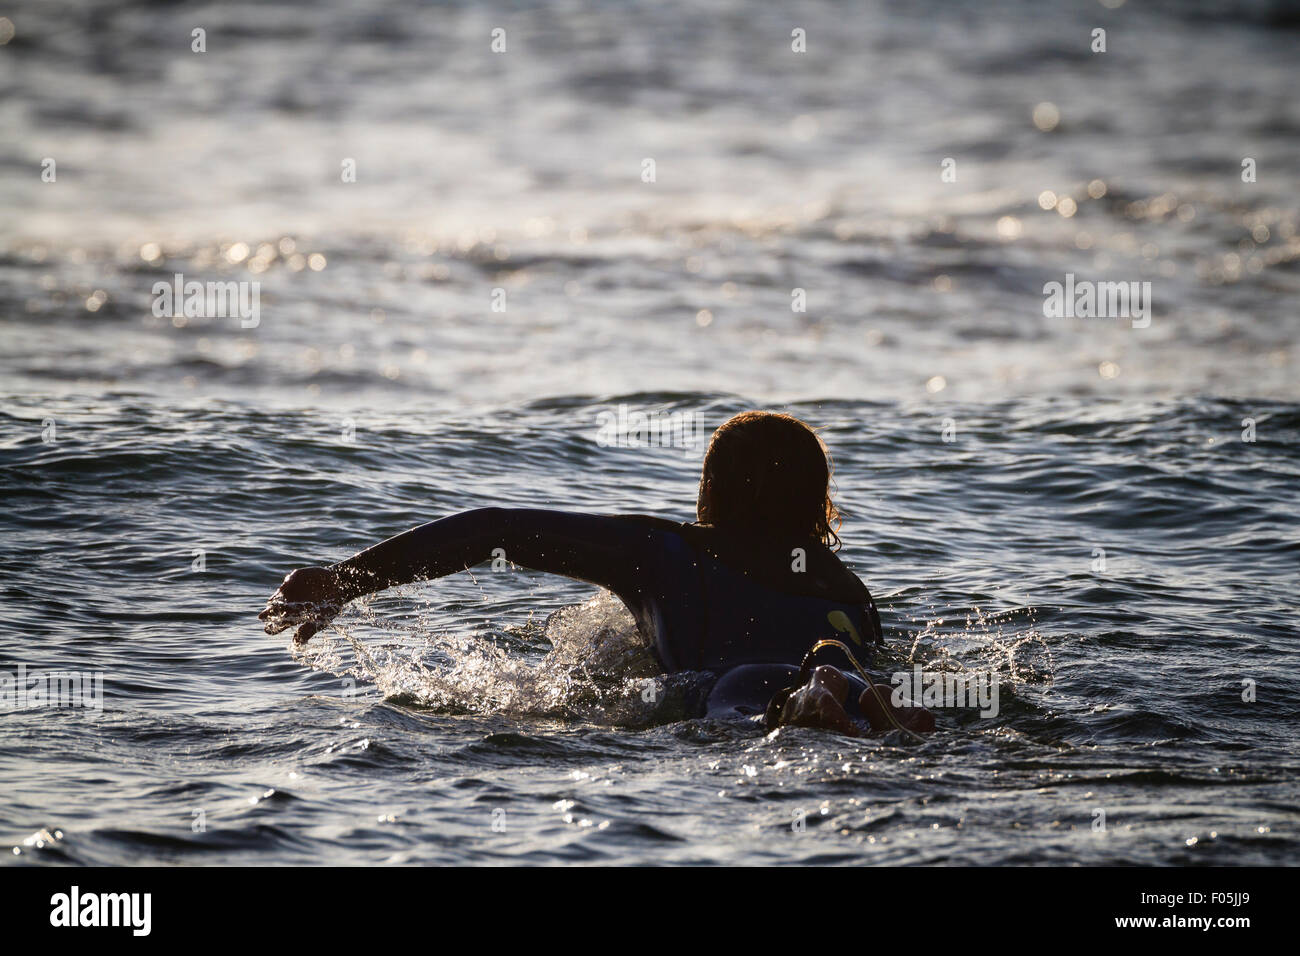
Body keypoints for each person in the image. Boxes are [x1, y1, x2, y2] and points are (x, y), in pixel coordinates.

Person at [260, 410, 934, 736]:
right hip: (850, 668)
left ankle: (807, 702)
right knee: (844, 683)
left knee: (753, 708)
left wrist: (344, 580)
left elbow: (496, 529)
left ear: (712, 493)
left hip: (735, 689)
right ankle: (837, 692)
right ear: (818, 501)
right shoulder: (851, 591)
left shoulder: (664, 552)